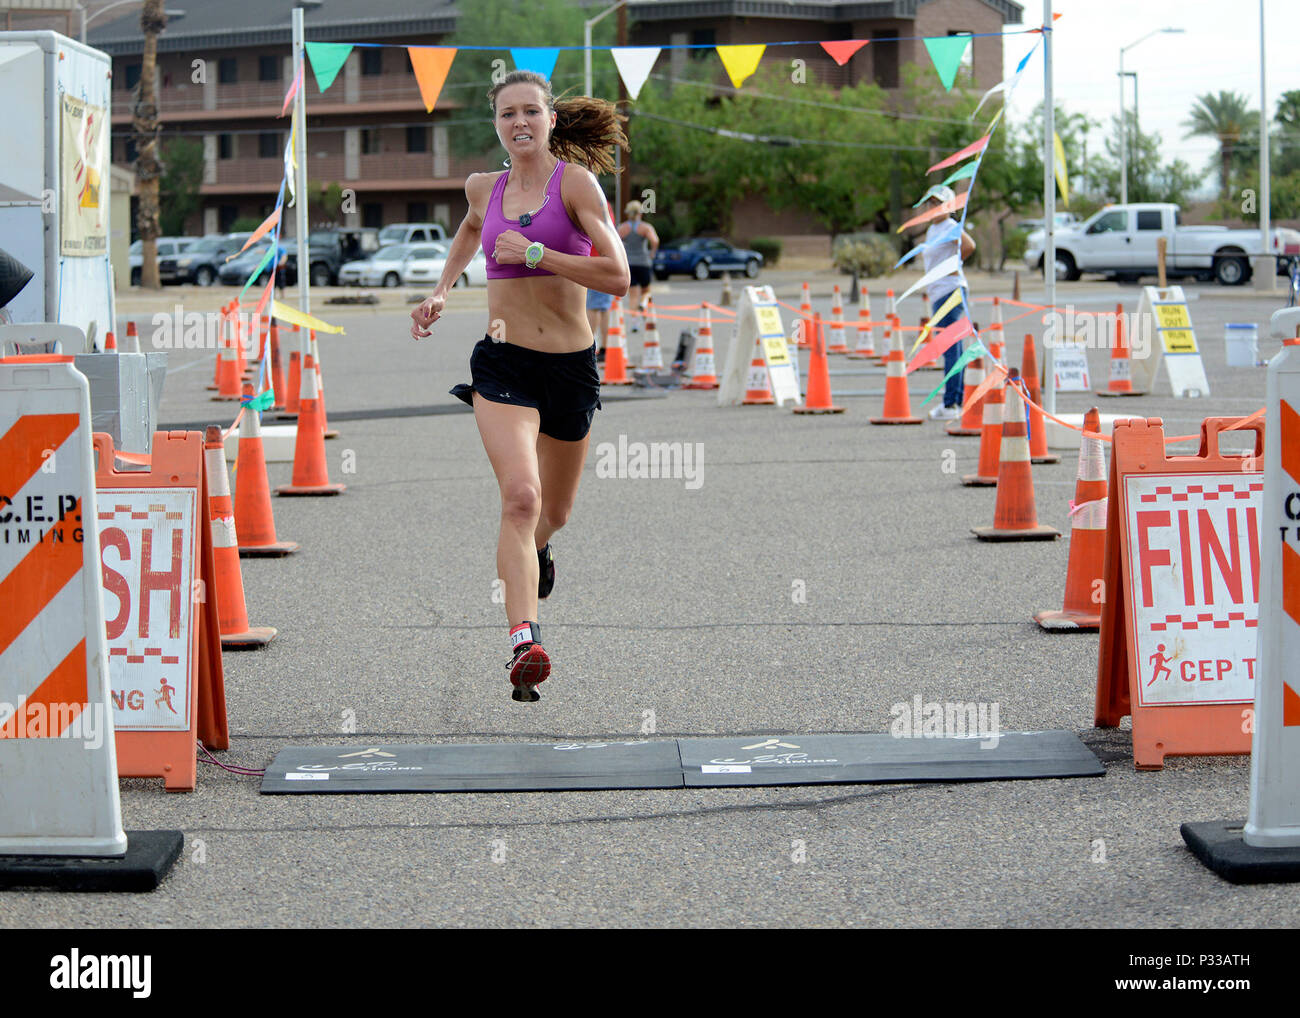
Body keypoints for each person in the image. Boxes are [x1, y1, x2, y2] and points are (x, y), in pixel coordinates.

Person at [409, 70, 629, 703]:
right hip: (503, 366)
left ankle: (540, 555)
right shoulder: (484, 187)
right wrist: (441, 291)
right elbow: (471, 230)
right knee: (521, 500)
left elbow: (617, 275)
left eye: (531, 111)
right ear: (497, 124)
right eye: (508, 114)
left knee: (553, 514)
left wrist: (537, 254)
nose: (520, 123)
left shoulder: (577, 185)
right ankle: (523, 639)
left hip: (569, 366)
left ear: (551, 120)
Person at [914, 184, 976, 421]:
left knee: (950, 347)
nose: (932, 208)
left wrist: (953, 265)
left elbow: (969, 246)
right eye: (930, 203)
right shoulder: (933, 230)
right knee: (953, 347)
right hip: (940, 293)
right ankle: (955, 400)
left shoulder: (950, 226)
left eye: (938, 203)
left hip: (951, 292)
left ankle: (950, 403)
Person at [618, 200, 658, 331]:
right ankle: (644, 306)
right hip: (643, 263)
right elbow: (655, 240)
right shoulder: (645, 227)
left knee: (633, 294)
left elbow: (615, 242)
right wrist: (652, 253)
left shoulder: (623, 228)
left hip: (629, 264)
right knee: (646, 291)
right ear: (640, 212)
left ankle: (635, 323)